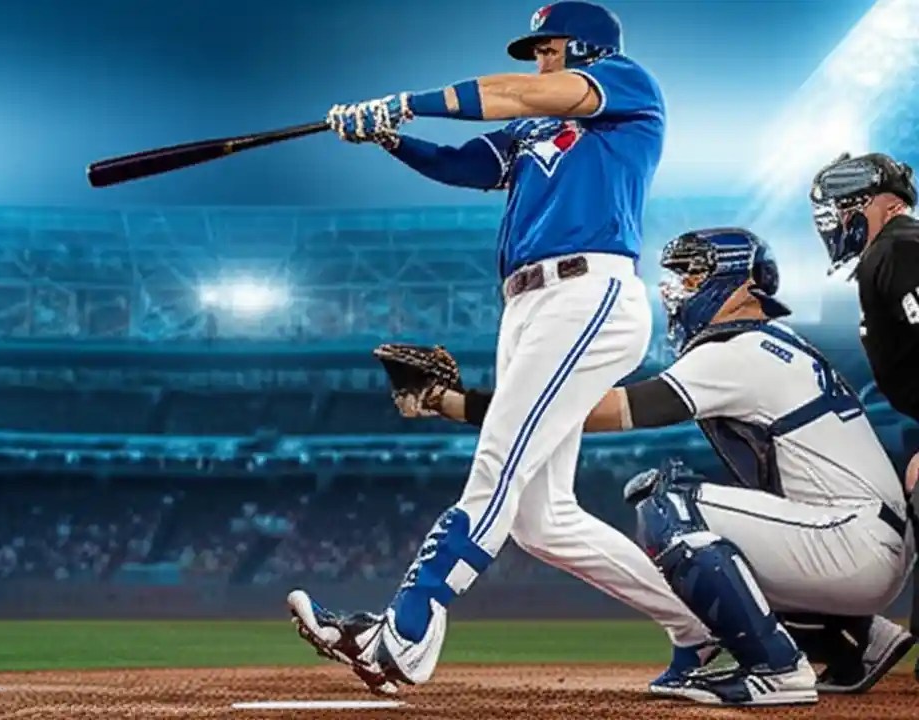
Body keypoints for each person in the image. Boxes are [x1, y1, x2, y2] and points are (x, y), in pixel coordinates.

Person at [287, 1, 717, 699]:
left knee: (497, 461)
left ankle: (404, 631)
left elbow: (511, 92)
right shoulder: (532, 129)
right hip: (526, 305)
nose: (538, 60)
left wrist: (402, 101)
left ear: (584, 49)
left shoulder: (628, 84)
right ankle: (707, 630)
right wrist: (391, 137)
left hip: (588, 291)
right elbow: (464, 165)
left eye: (548, 48)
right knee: (543, 521)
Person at [397, 228, 917, 705]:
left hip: (854, 543)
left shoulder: (738, 350)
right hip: (865, 540)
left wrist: (454, 402)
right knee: (725, 563)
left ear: (739, 283)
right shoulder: (771, 346)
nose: (678, 288)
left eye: (693, 273)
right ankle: (859, 641)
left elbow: (593, 411)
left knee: (669, 504)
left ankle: (777, 671)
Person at [810, 151, 919, 682]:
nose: (833, 219)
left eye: (840, 205)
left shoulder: (902, 249)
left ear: (876, 203)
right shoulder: (892, 252)